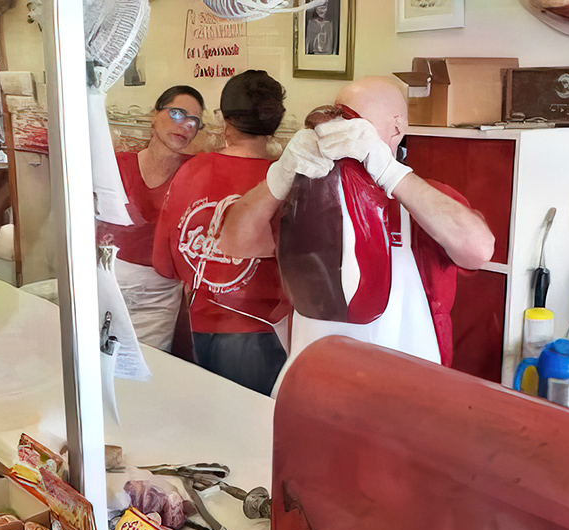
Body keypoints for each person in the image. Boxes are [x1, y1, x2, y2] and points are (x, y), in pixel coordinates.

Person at [218, 76, 495, 371]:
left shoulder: (427, 198)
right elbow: (235, 242)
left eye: (355, 123)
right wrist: (279, 177)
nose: (340, 132)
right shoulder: (306, 194)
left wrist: (390, 173)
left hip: (404, 381)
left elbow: (478, 250)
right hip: (315, 376)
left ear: (397, 128)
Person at [152, 70, 291, 396]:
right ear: (275, 123)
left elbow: (163, 263)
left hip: (191, 331)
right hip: (261, 337)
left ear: (224, 119)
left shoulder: (191, 170)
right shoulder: (284, 183)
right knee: (250, 425)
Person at [97, 85, 205, 351]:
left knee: (150, 362)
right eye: (177, 114)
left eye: (194, 121)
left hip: (159, 296)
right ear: (153, 116)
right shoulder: (116, 166)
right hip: (107, 284)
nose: (185, 125)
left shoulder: (196, 172)